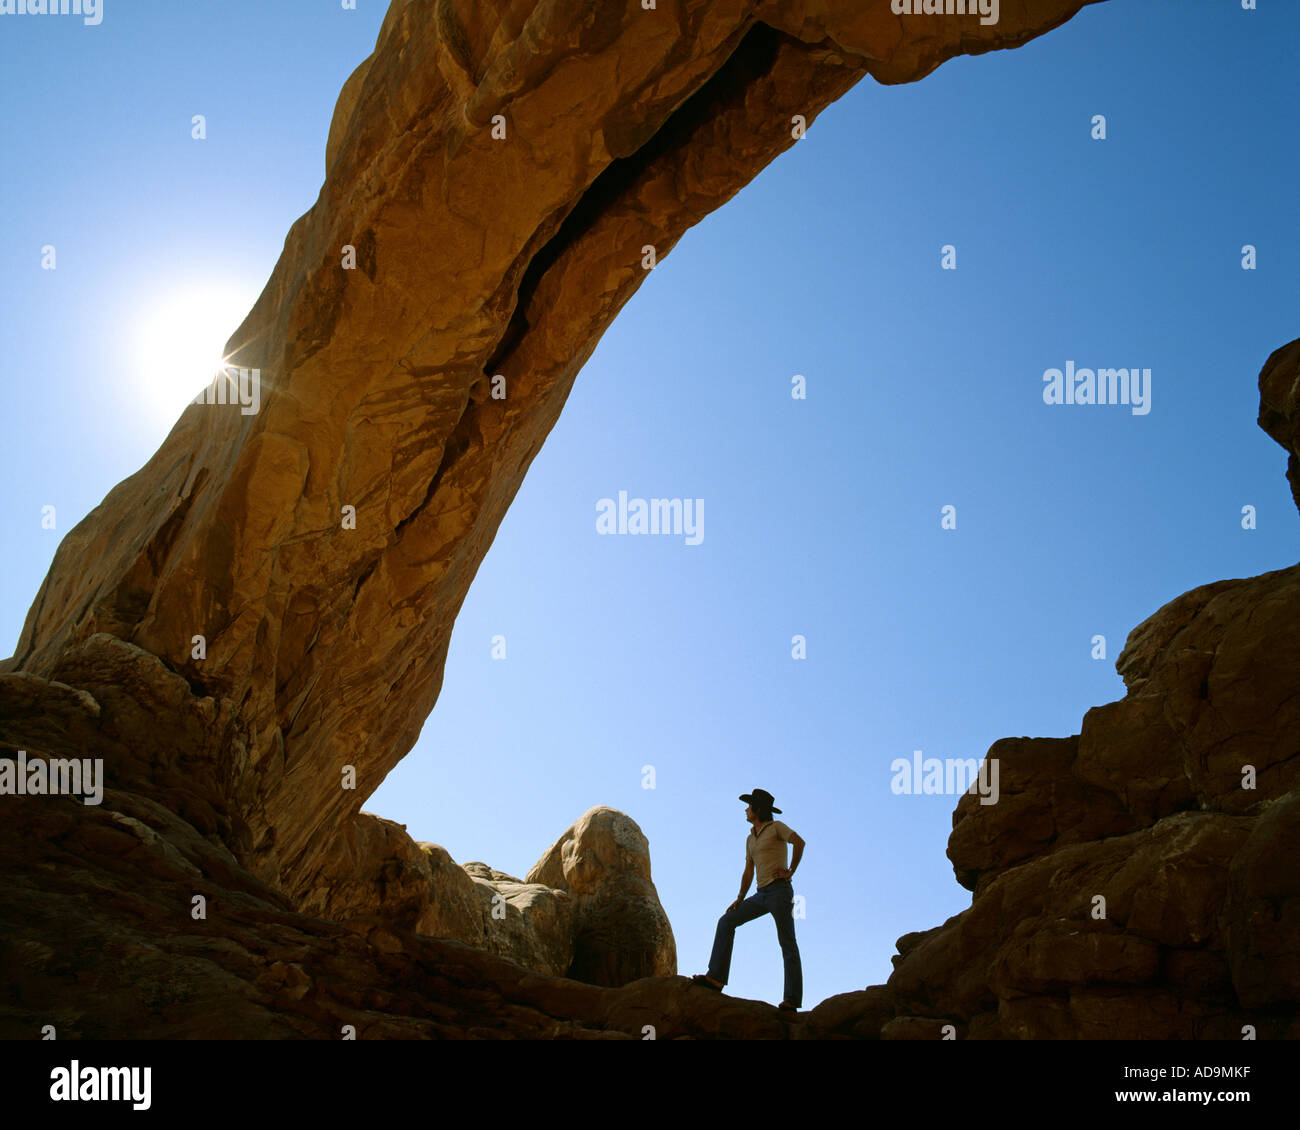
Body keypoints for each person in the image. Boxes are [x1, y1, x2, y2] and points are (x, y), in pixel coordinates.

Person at [692, 788, 804, 1011]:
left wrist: (790, 871)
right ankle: (716, 977)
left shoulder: (777, 827)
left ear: (757, 809)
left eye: (749, 806)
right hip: (760, 894)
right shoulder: (750, 838)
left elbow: (799, 842)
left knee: (787, 942)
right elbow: (748, 871)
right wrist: (740, 898)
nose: (746, 809)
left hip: (780, 892)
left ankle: (791, 1000)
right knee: (726, 921)